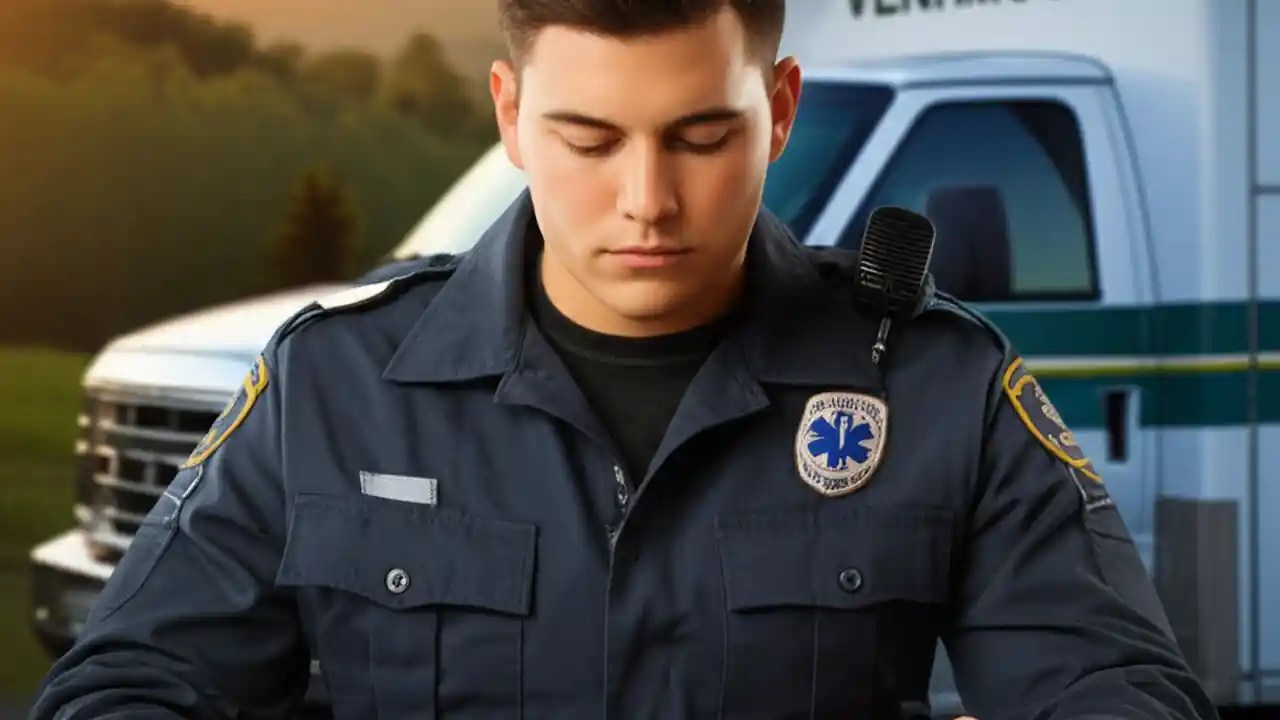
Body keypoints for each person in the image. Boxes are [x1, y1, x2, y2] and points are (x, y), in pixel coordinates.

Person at [30, 1, 1217, 718]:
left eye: (699, 137)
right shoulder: (331, 389)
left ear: (779, 110)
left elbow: (1116, 686)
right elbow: (123, 687)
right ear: (508, 115)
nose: (645, 200)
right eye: (588, 140)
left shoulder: (936, 387)